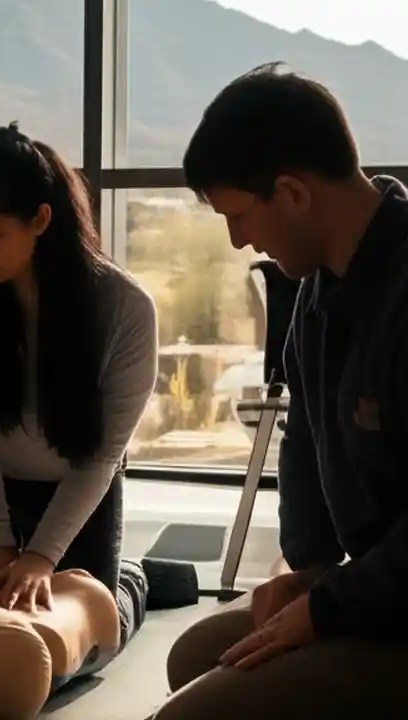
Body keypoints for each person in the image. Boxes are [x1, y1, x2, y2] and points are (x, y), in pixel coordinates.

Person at [156, 63, 408, 719]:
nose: (238, 240)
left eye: (239, 216)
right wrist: (309, 568)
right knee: (193, 656)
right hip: (375, 587)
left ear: (293, 194)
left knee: (190, 715)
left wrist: (326, 608)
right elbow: (304, 441)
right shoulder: (317, 290)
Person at [0, 124, 155, 655]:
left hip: (81, 485)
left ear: (41, 220)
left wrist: (42, 557)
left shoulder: (124, 308)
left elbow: (100, 458)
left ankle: (132, 581)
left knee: (78, 636)